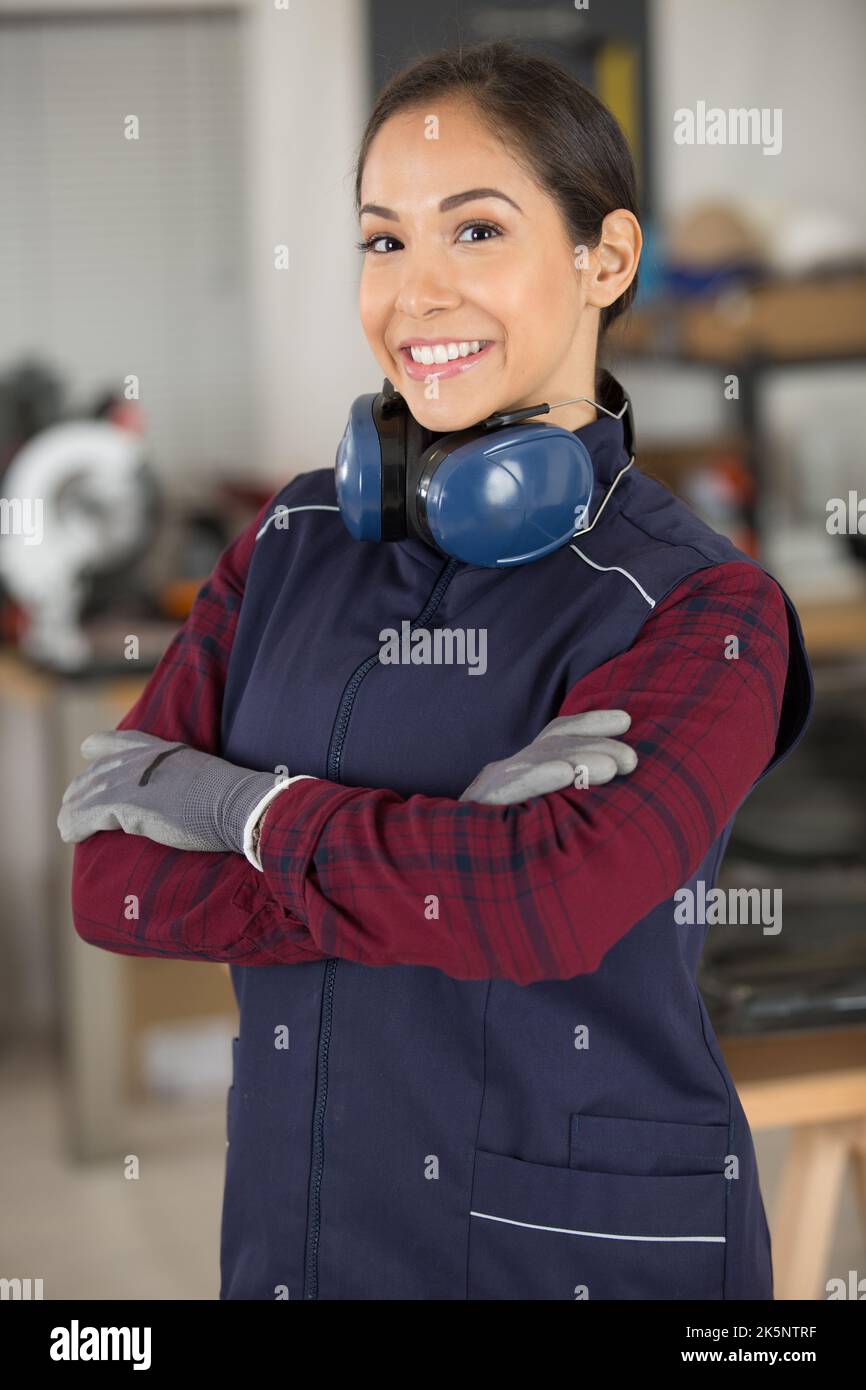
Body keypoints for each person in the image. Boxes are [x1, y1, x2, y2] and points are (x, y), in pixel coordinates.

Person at [59, 40, 813, 1301]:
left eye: (473, 231)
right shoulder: (289, 543)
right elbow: (112, 882)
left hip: (578, 1253)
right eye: (380, 240)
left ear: (605, 259)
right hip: (302, 1236)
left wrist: (235, 812)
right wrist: (444, 866)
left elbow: (544, 909)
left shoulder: (705, 607)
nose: (413, 292)